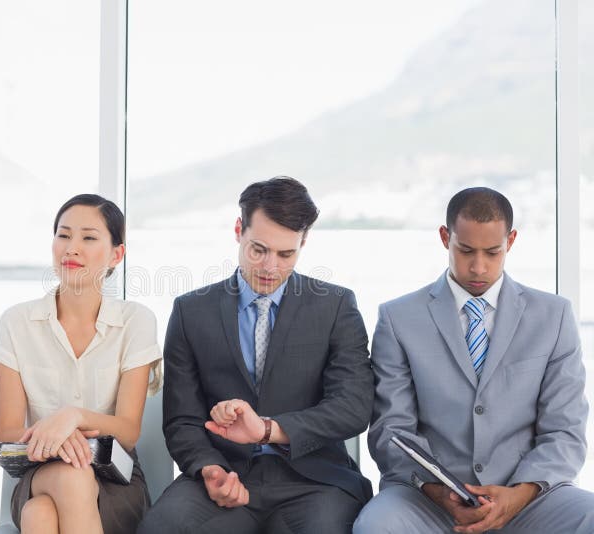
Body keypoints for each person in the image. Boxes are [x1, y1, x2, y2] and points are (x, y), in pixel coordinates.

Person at [138, 177, 373, 534]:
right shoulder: (191, 311)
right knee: (162, 527)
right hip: (223, 473)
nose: (270, 267)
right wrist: (210, 470)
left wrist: (268, 430)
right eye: (258, 249)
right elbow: (182, 419)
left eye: (286, 254)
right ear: (238, 231)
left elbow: (353, 407)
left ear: (303, 242)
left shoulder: (335, 306)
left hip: (315, 481)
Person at [353, 187, 594, 534]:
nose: (478, 266)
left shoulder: (554, 316)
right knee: (376, 527)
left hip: (529, 499)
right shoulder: (398, 318)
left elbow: (566, 430)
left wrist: (517, 496)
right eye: (465, 250)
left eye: (492, 252)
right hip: (427, 501)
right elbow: (392, 430)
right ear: (444, 237)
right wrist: (440, 492)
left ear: (510, 241)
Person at [0, 194, 162, 534]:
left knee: (40, 515)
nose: (71, 248)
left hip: (116, 479)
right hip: (40, 472)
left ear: (117, 254)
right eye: (63, 235)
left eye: (88, 237)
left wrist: (74, 418)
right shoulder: (16, 322)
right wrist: (59, 441)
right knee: (70, 477)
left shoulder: (136, 321)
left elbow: (128, 431)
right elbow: (7, 433)